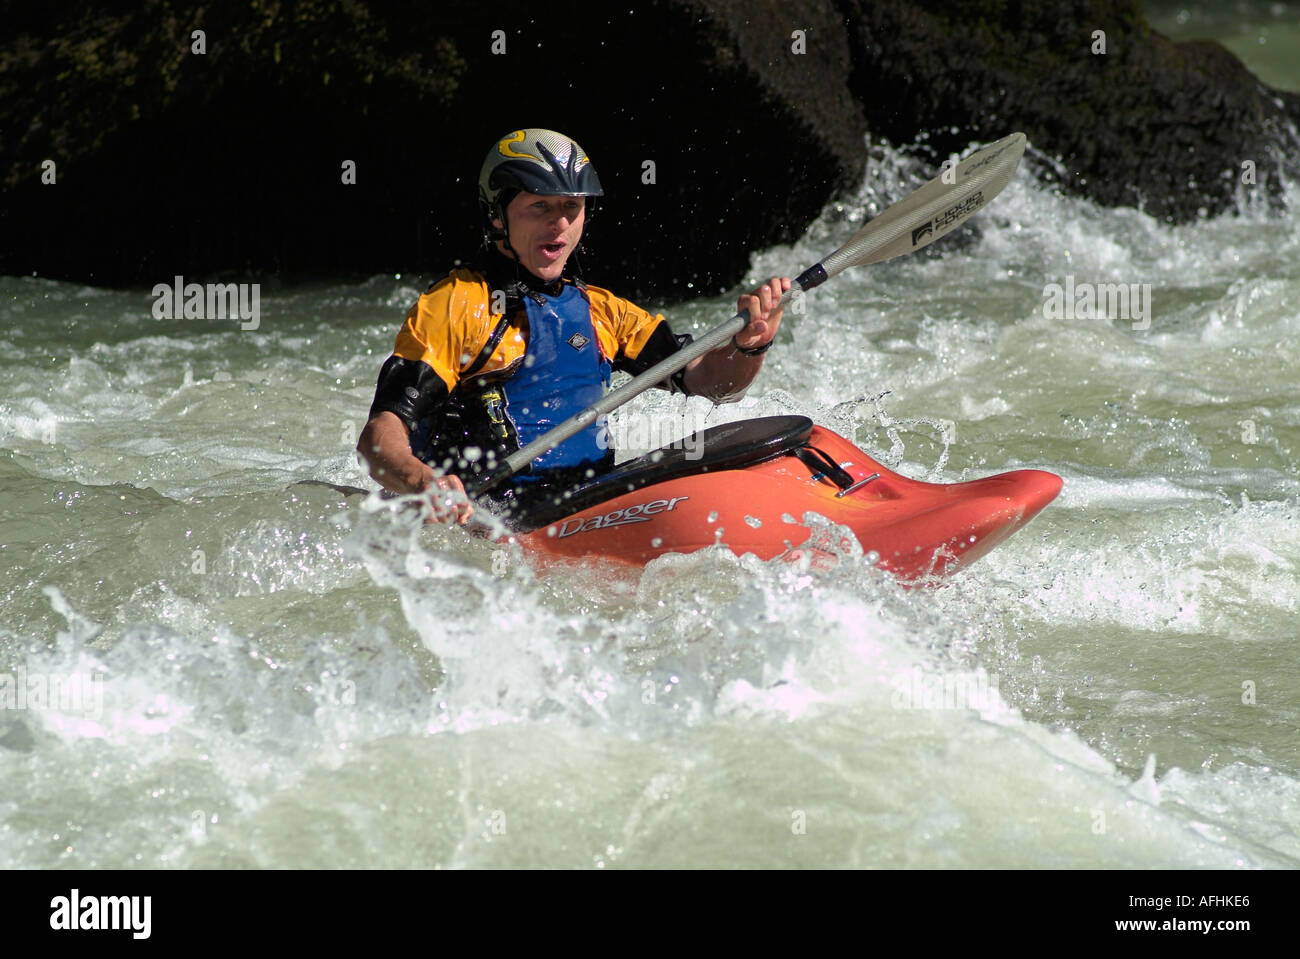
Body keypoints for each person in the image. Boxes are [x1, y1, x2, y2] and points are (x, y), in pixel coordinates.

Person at [358, 128, 789, 525]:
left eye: (571, 207)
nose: (559, 222)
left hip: (585, 507)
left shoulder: (602, 311)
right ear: (497, 216)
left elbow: (713, 384)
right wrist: (423, 483)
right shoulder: (456, 305)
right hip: (487, 518)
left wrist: (749, 347)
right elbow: (380, 437)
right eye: (539, 206)